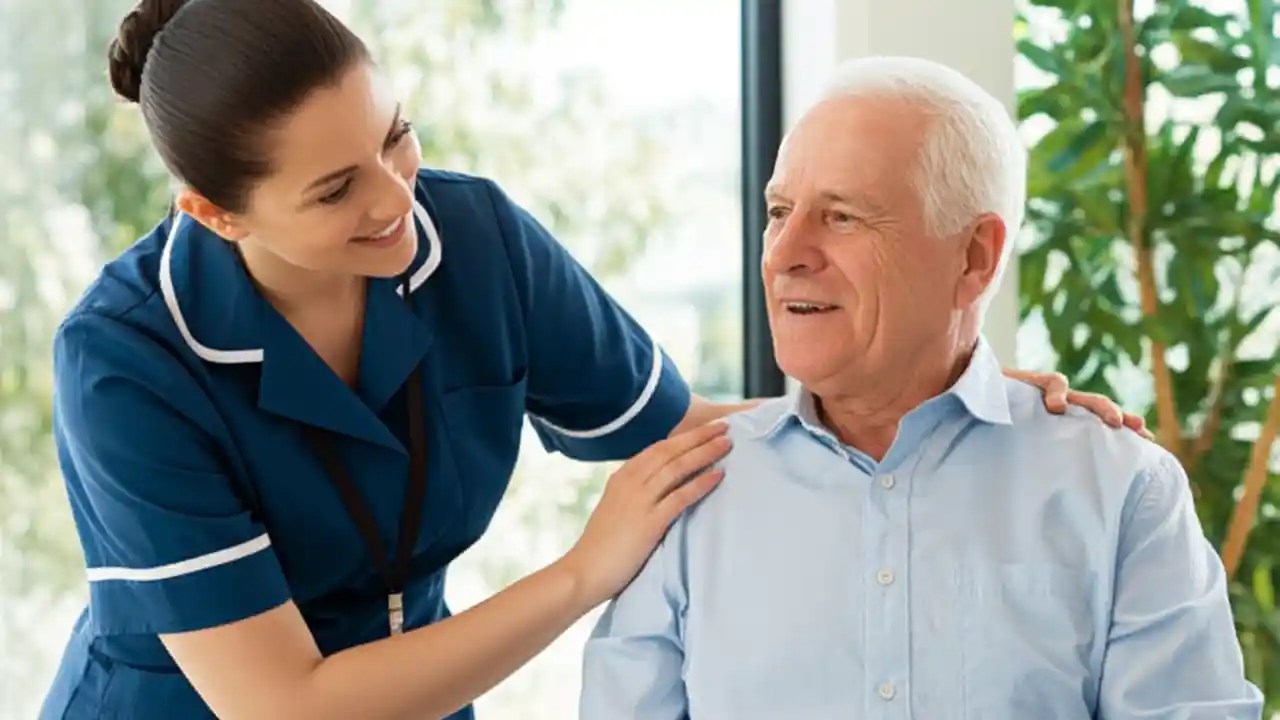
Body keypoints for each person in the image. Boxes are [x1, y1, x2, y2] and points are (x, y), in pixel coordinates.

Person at [39, 2, 1142, 718]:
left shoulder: (473, 240)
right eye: (335, 190)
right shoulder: (125, 358)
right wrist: (580, 574)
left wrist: (950, 388)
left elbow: (681, 429)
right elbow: (284, 705)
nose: (395, 198)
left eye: (394, 136)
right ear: (216, 215)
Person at [579, 56, 1263, 719]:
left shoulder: (1120, 489)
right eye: (780, 211)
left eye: (842, 216)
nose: (786, 254)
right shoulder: (685, 502)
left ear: (974, 258)